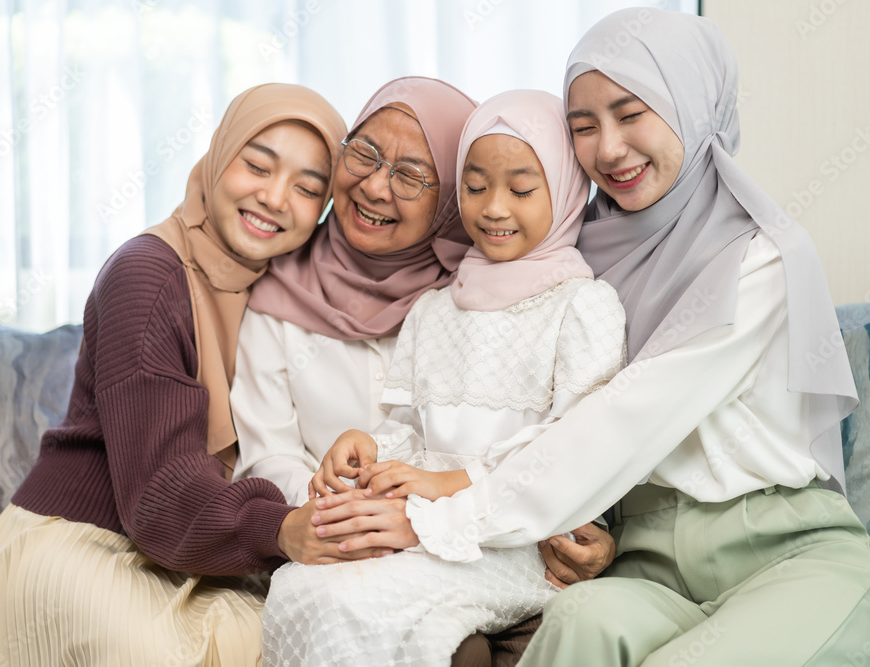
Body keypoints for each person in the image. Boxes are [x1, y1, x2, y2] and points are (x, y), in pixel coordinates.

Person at [314, 9, 870, 667]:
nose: (609, 148)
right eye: (583, 126)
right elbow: (544, 416)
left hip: (786, 556)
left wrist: (435, 518)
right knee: (576, 626)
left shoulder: (758, 262)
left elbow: (621, 422)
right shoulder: (570, 254)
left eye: (632, 113)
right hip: (645, 565)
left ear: (693, 103)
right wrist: (591, 534)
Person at [0, 83, 354, 666]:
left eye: (307, 189)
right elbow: (158, 494)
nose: (276, 198)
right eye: (257, 165)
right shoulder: (146, 277)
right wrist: (281, 528)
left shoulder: (282, 291)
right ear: (219, 157)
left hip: (185, 552)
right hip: (81, 543)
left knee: (326, 637)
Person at [231, 78, 616, 665]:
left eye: (412, 174)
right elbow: (404, 432)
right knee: (318, 594)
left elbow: (582, 446)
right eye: (363, 154)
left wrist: (431, 501)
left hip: (495, 532)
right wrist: (353, 480)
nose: (377, 187)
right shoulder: (441, 307)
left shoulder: (547, 299)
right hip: (373, 526)